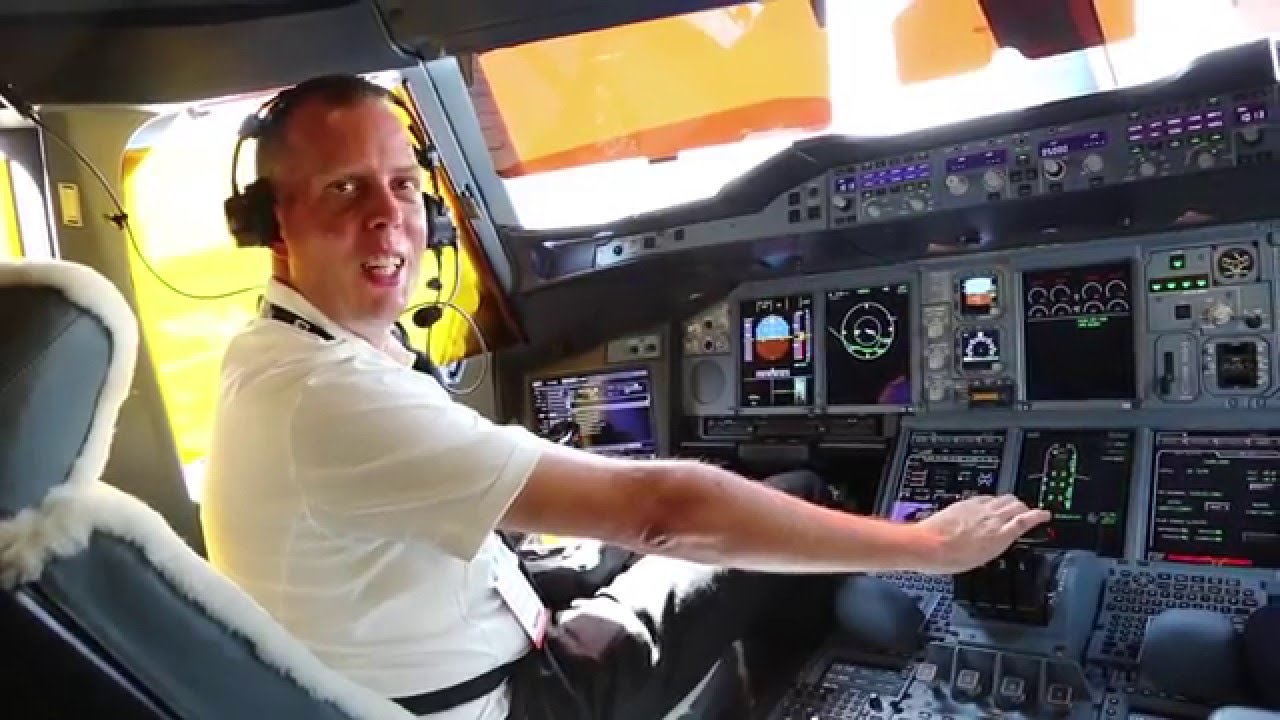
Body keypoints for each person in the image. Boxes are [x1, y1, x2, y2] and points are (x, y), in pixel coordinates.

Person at [200, 74, 1050, 720]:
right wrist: (929, 545)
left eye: (399, 184)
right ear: (273, 225)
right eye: (344, 188)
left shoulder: (275, 352)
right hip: (502, 701)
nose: (390, 218)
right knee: (796, 496)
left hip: (427, 651)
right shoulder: (323, 395)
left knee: (666, 528)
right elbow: (664, 512)